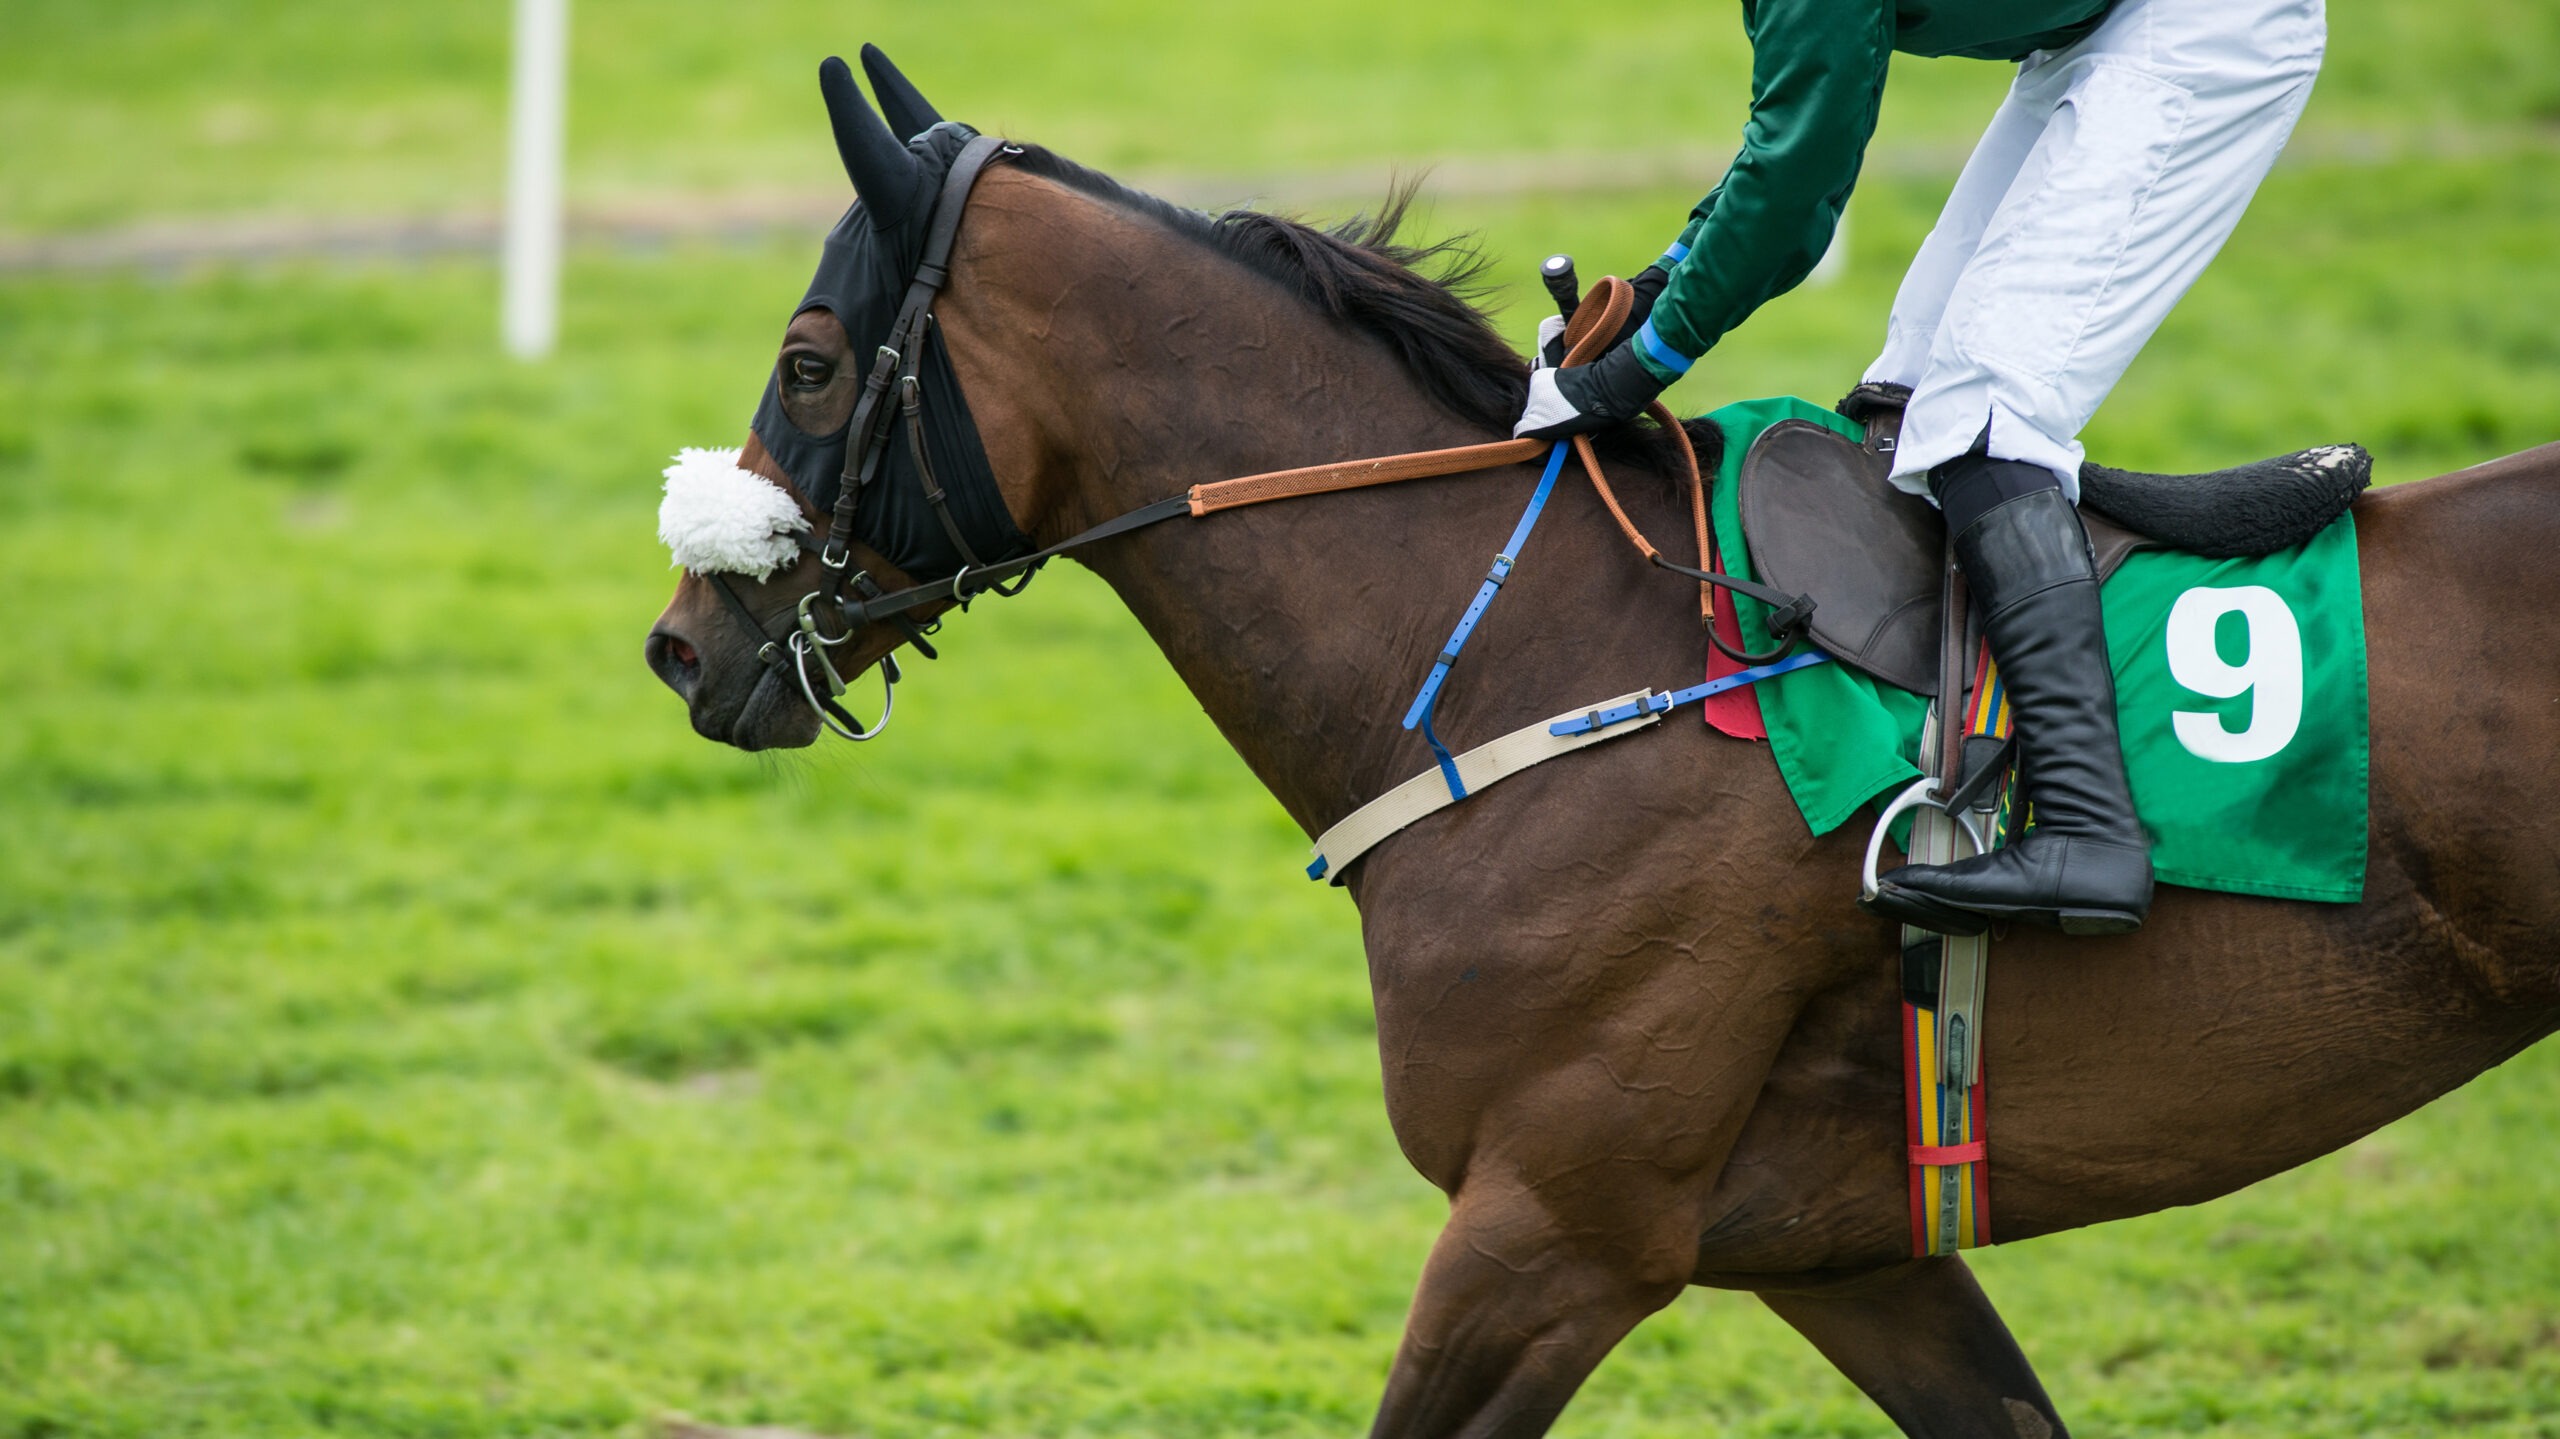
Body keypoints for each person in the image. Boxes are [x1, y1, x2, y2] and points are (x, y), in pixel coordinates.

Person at [1517, 0, 2325, 937]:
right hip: (2086, 34)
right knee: (1907, 400)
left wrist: (1639, 365)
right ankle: (1942, 758)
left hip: (2197, 24)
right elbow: (1790, 138)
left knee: (1982, 420)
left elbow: (1794, 180)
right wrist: (1661, 281)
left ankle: (2088, 828)